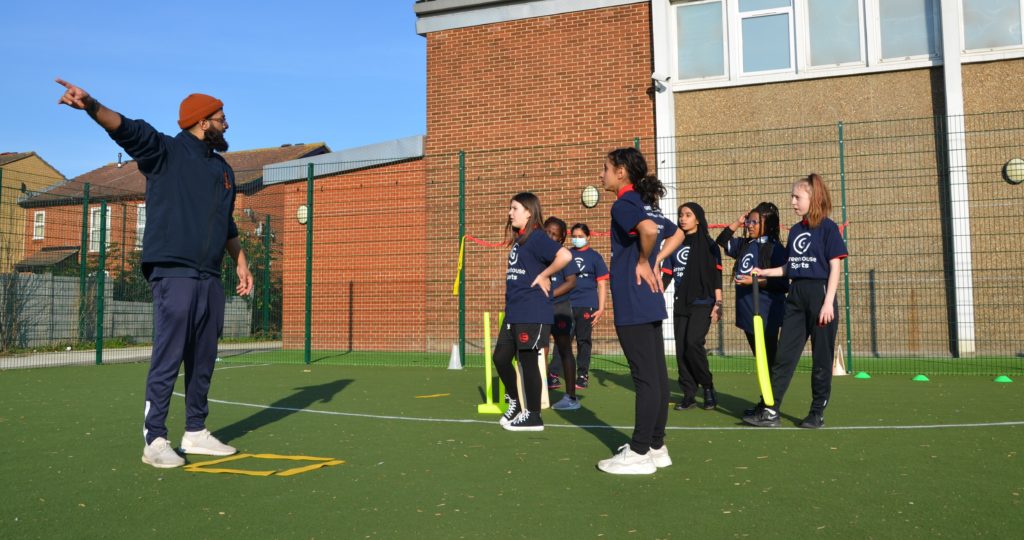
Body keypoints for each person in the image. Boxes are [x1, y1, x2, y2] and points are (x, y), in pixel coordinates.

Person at [56, 79, 254, 468]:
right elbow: (125, 128)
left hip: (210, 275)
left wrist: (241, 261)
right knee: (170, 353)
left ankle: (196, 432)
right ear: (202, 123)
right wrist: (92, 104)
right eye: (221, 118)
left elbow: (225, 223)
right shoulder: (166, 151)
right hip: (174, 271)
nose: (227, 124)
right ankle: (156, 440)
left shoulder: (223, 170)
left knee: (204, 357)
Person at [596, 148, 683, 475]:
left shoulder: (624, 204)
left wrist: (648, 260)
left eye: (605, 168)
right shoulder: (647, 204)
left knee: (646, 378)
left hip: (634, 297)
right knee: (657, 376)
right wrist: (657, 259)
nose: (601, 174)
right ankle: (657, 446)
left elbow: (649, 232)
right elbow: (675, 233)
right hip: (649, 297)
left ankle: (639, 450)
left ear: (621, 172)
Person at [744, 174, 848, 429]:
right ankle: (770, 409)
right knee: (784, 356)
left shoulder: (828, 228)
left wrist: (827, 303)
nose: (792, 201)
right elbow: (791, 267)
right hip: (796, 296)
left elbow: (835, 267)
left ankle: (816, 412)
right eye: (792, 196)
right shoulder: (797, 231)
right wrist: (764, 272)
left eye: (797, 197)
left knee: (821, 360)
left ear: (813, 199)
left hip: (820, 295)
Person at [493, 193, 572, 431]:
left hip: (532, 310)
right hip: (514, 311)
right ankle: (516, 404)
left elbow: (565, 255)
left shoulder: (537, 237)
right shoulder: (521, 240)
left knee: (528, 362)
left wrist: (545, 275)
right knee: (501, 358)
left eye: (514, 208)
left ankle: (534, 416)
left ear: (528, 211)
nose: (510, 213)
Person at [715, 202, 788, 416]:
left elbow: (783, 284)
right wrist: (738, 222)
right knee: (761, 360)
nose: (750, 225)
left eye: (755, 222)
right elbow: (722, 240)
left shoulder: (776, 249)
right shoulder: (745, 244)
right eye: (750, 221)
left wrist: (754, 282)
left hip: (766, 315)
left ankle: (770, 406)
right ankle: (766, 402)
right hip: (748, 313)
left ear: (769, 224)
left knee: (769, 361)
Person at [662, 202, 723, 411]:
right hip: (681, 302)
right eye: (681, 215)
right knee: (681, 350)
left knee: (693, 343)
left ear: (698, 218)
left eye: (688, 215)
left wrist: (719, 303)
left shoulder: (709, 245)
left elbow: (717, 276)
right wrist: (654, 293)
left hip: (702, 302)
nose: (683, 218)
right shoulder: (673, 243)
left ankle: (707, 387)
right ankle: (689, 394)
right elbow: (667, 274)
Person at [542, 217, 581, 411]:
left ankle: (571, 397)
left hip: (560, 308)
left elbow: (571, 282)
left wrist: (550, 294)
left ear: (561, 238)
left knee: (565, 349)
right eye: (547, 231)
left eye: (554, 234)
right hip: (539, 308)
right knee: (539, 349)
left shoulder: (564, 256)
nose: (549, 236)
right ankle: (539, 394)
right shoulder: (537, 254)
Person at [564, 223, 609, 389]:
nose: (577, 239)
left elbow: (602, 283)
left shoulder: (595, 257)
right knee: (564, 340)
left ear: (588, 237)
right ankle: (554, 373)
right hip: (567, 304)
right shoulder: (566, 254)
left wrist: (601, 308)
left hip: (587, 304)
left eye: (580, 236)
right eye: (574, 236)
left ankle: (582, 374)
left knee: (583, 340)